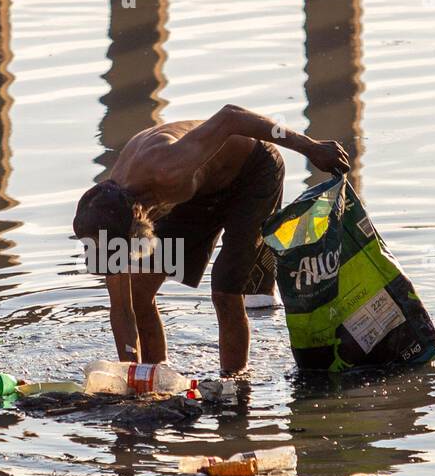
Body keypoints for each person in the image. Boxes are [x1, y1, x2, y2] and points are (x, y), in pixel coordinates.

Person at [73, 104, 350, 373]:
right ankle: (154, 373)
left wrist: (309, 146)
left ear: (136, 223)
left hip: (251, 174)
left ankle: (235, 384)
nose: (119, 259)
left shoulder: (167, 165)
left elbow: (232, 117)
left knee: (225, 290)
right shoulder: (105, 215)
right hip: (193, 195)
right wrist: (130, 374)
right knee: (138, 293)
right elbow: (122, 310)